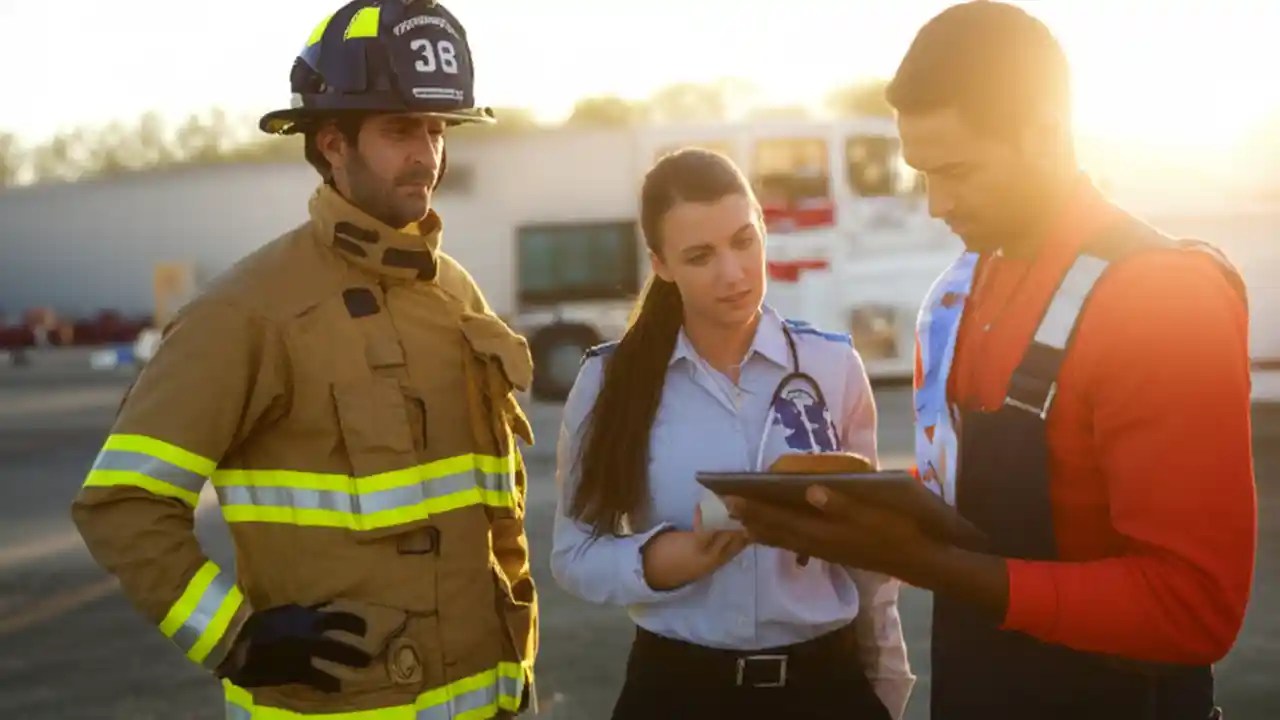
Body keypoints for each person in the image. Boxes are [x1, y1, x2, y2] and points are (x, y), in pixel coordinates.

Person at [725, 3, 1257, 719]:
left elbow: (1193, 613)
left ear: (1045, 132)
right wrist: (873, 500)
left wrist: (927, 563)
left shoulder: (1162, 297)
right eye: (921, 173)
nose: (937, 203)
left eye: (959, 171)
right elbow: (1003, 499)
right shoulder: (969, 284)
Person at [70, 2, 538, 717]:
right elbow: (123, 504)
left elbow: (497, 519)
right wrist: (233, 640)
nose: (428, 155)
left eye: (438, 129)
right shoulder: (249, 312)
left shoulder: (455, 294)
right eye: (400, 129)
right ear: (331, 144)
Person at [549, 148, 916, 720]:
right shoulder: (609, 380)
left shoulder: (832, 366)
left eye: (744, 241)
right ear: (661, 264)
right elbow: (573, 553)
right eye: (700, 256)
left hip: (825, 687)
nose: (733, 273)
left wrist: (886, 682)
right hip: (677, 689)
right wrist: (656, 562)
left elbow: (869, 556)